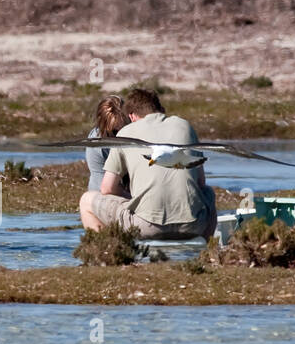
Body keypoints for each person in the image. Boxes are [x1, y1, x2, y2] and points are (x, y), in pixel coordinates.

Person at [78, 87, 218, 240]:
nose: (118, 135)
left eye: (123, 127)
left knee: (86, 201)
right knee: (208, 193)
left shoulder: (129, 133)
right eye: (114, 132)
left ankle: (107, 252)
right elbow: (201, 182)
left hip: (145, 223)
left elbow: (108, 187)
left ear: (130, 117)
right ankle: (206, 251)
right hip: (192, 223)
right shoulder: (184, 126)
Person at [86, 96, 129, 192]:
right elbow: (106, 188)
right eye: (115, 130)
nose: (121, 133)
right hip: (104, 192)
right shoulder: (96, 143)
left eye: (125, 127)